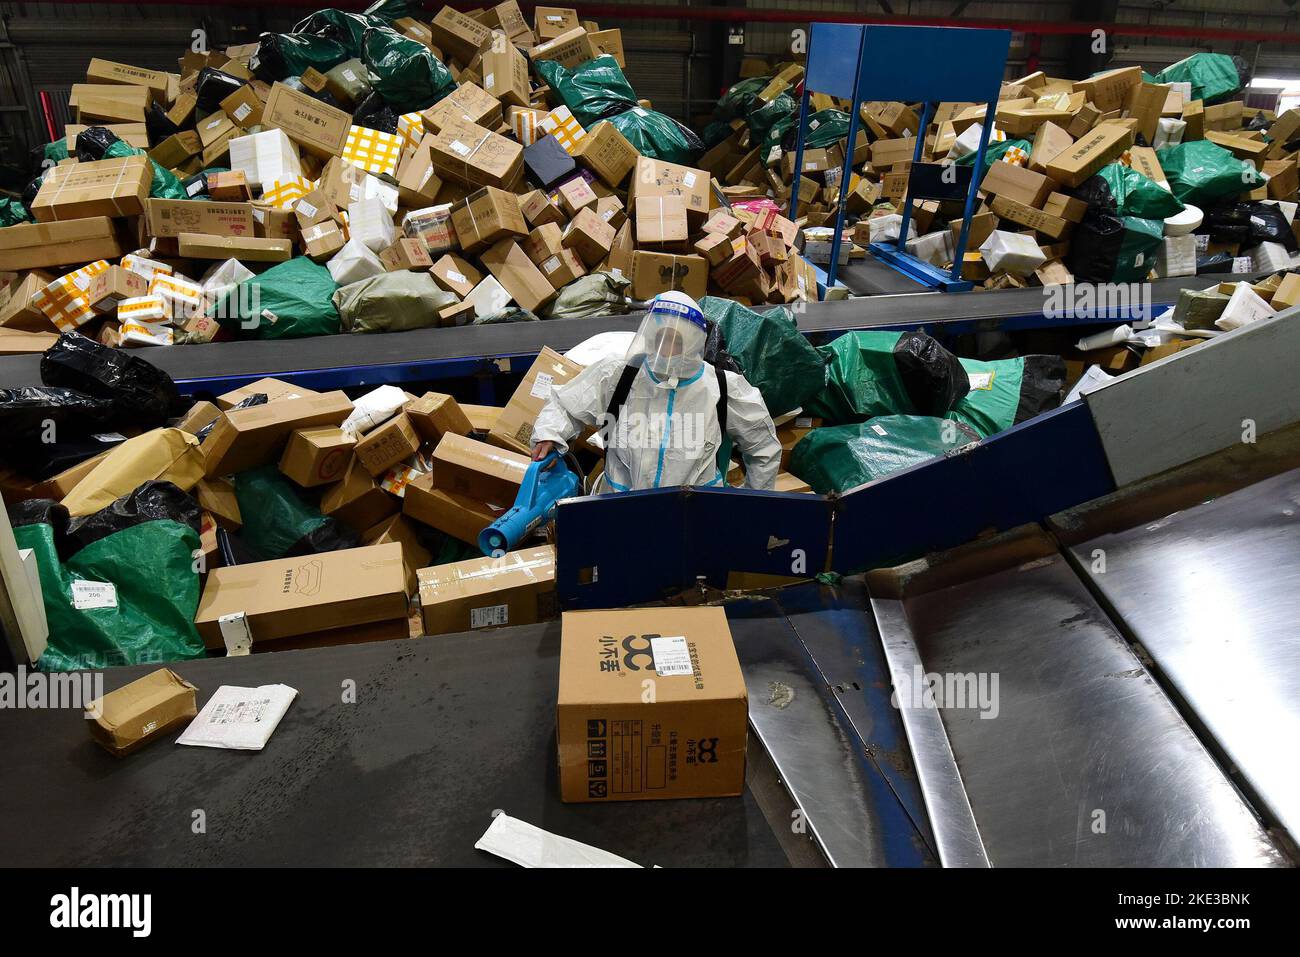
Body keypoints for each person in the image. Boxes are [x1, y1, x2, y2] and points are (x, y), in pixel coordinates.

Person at [531, 291, 781, 492]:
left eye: (675, 340)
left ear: (693, 343)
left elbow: (763, 447)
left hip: (694, 515)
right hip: (619, 509)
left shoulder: (722, 386)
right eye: (660, 337)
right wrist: (550, 434)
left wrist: (754, 506)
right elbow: (565, 402)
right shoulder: (619, 375)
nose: (665, 348)